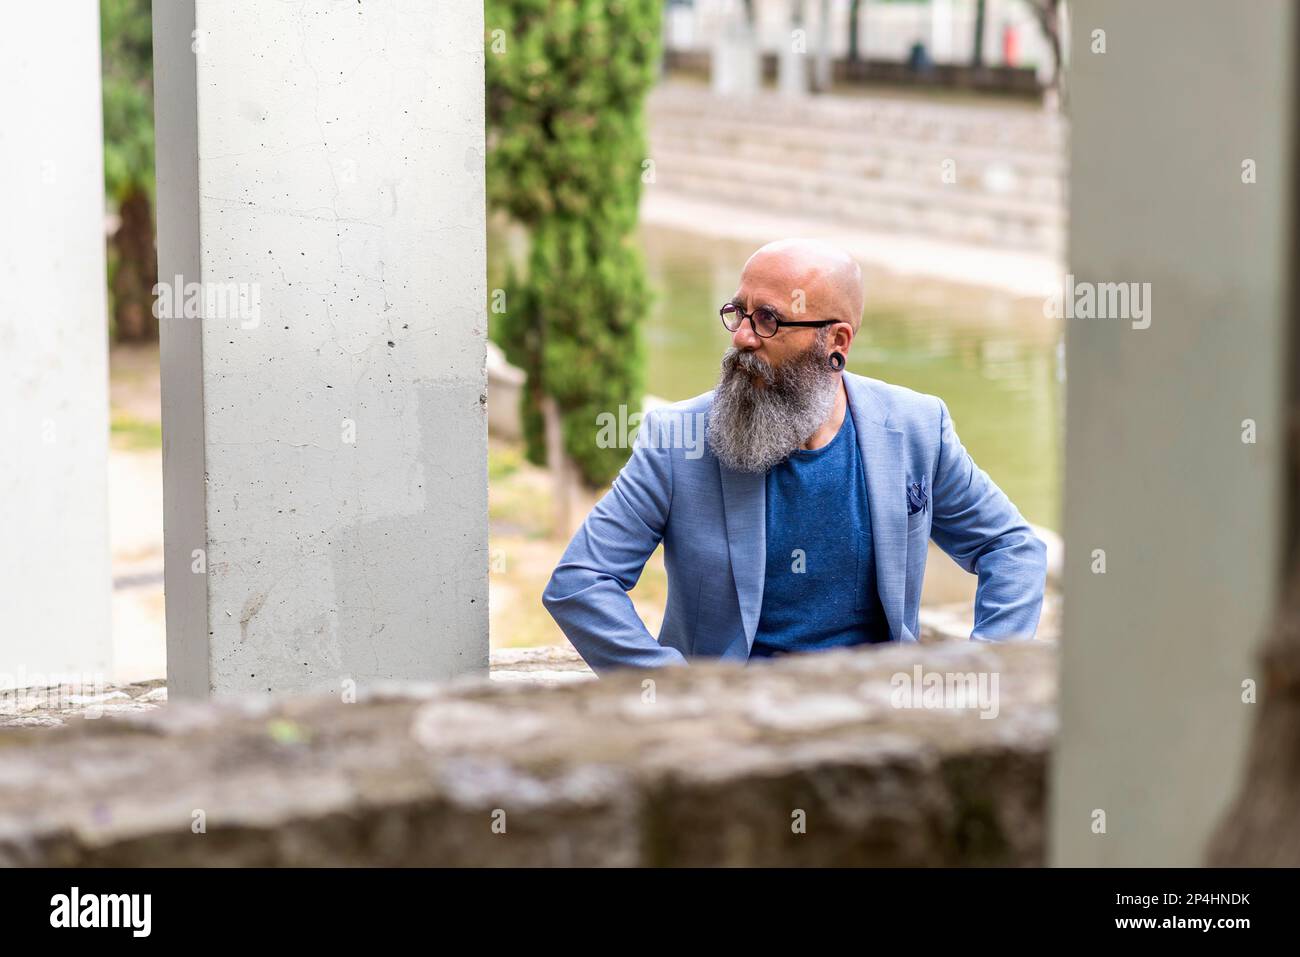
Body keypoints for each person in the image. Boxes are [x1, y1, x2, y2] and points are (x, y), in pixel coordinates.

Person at [543, 239, 1047, 674]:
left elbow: (1012, 547)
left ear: (837, 342)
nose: (741, 335)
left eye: (768, 320)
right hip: (736, 738)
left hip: (879, 727)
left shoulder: (917, 426)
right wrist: (679, 689)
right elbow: (580, 582)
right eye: (738, 312)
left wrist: (988, 664)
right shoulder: (676, 440)